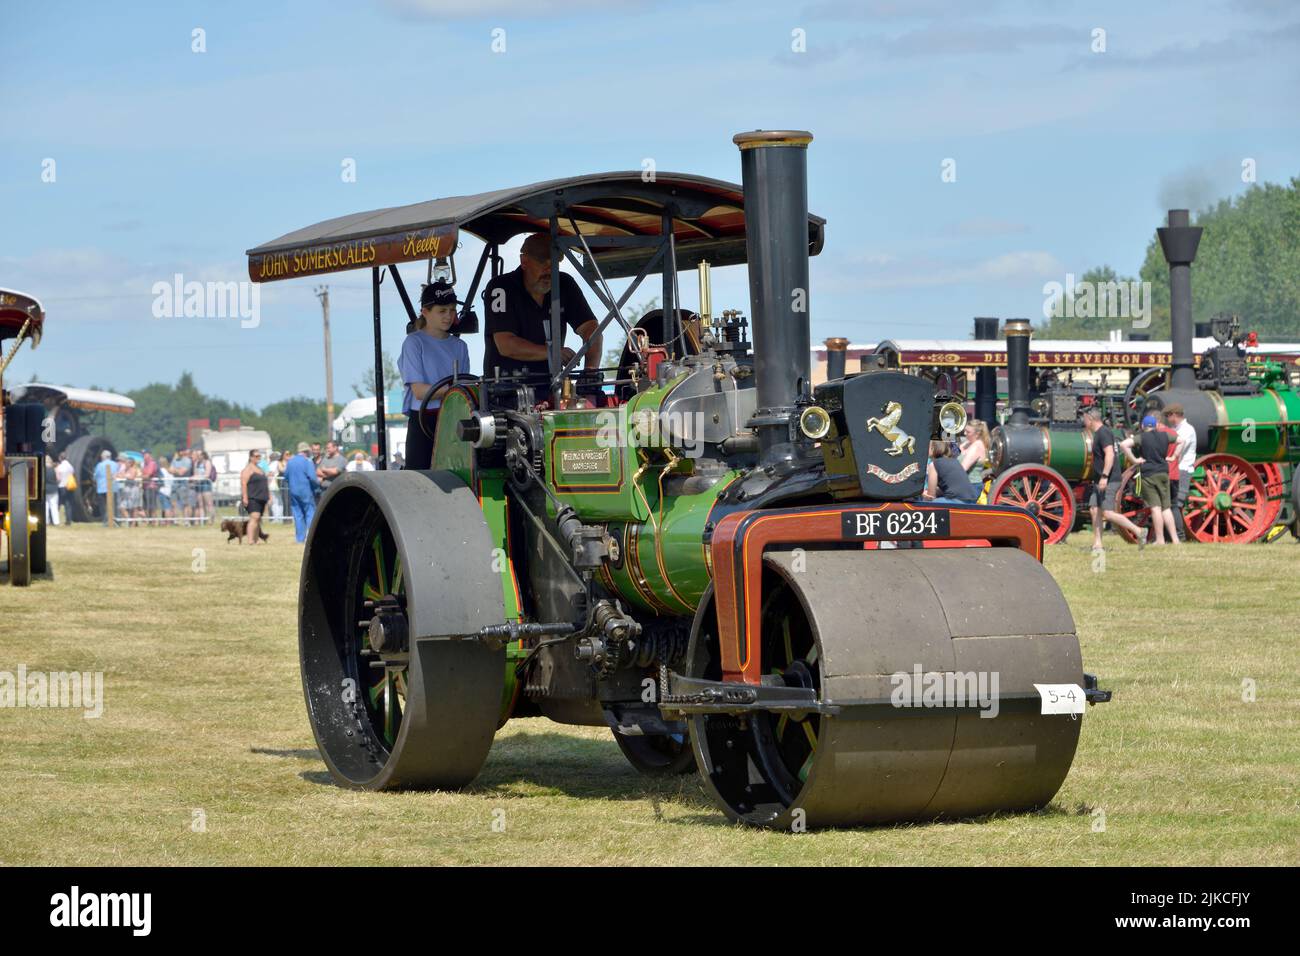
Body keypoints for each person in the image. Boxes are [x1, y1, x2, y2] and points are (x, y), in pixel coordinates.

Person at [481, 231, 603, 402]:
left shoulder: (565, 284)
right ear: (524, 261)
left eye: (554, 263)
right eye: (542, 263)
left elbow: (591, 329)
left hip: (553, 389)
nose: (549, 270)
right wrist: (552, 353)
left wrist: (590, 373)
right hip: (507, 394)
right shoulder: (501, 287)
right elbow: (506, 344)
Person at [400, 279, 472, 470]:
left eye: (451, 310)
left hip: (453, 419)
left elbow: (466, 386)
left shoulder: (460, 346)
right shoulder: (414, 343)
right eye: (442, 311)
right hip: (423, 420)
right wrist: (453, 390)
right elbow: (419, 391)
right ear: (425, 312)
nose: (448, 316)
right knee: (421, 479)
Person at [1082, 408, 1145, 551]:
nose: (1083, 421)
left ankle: (1139, 531)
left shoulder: (1103, 433)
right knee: (1094, 509)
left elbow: (1109, 455)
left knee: (1107, 513)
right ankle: (1097, 544)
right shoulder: (1099, 433)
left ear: (1090, 419)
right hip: (1100, 480)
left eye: (1084, 418)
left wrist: (1104, 476)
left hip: (1109, 479)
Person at [1123, 414, 1178, 546]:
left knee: (1155, 508)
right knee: (1166, 508)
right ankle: (1175, 540)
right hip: (1164, 473)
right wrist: (1174, 456)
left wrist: (1134, 460)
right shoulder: (1164, 436)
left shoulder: (1141, 437)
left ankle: (1160, 539)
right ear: (1156, 426)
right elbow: (1182, 441)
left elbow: (1124, 444)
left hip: (1149, 474)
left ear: (1142, 426)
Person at [1165, 403, 1197, 541]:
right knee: (1168, 504)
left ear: (1174, 415)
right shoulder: (1175, 429)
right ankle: (1168, 536)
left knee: (1175, 504)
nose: (1167, 418)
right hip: (1172, 468)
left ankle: (1179, 536)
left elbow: (1177, 450)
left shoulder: (1187, 430)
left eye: (1168, 415)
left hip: (1182, 469)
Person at [284, 442, 321, 543]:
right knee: (310, 512)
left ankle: (300, 539)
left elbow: (286, 477)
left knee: (298, 514)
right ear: (306, 451)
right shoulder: (307, 462)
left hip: (293, 491)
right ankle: (312, 537)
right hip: (305, 491)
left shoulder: (290, 462)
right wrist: (317, 487)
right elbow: (313, 478)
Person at [240, 450, 269, 544]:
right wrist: (245, 497)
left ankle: (256, 539)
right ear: (251, 457)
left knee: (258, 519)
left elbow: (265, 483)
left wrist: (269, 496)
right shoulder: (247, 469)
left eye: (259, 456)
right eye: (256, 456)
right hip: (252, 497)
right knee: (254, 517)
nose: (258, 458)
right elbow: (243, 484)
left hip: (262, 497)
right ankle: (250, 540)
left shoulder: (260, 469)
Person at [959, 419, 992, 487]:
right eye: (964, 431)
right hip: (963, 484)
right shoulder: (968, 444)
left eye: (968, 432)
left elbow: (962, 468)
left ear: (977, 434)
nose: (965, 433)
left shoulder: (977, 446)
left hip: (971, 485)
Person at [93, 449, 117, 525]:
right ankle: (115, 520)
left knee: (103, 506)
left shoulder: (99, 465)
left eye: (102, 457)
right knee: (113, 505)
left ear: (104, 457)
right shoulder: (115, 464)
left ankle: (105, 521)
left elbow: (95, 476)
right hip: (114, 488)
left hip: (101, 488)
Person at [171, 448, 194, 523]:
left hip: (183, 485)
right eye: (178, 451)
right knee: (174, 503)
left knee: (185, 504)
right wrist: (177, 470)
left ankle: (186, 521)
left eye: (181, 451)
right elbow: (170, 470)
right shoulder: (174, 460)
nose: (179, 452)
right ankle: (175, 521)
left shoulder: (187, 460)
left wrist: (175, 470)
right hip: (175, 484)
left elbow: (182, 472)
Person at [55, 452, 74, 523]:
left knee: (58, 504)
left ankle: (54, 519)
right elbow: (72, 474)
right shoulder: (70, 466)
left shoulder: (60, 467)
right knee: (68, 504)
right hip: (69, 486)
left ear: (60, 458)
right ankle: (68, 520)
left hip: (61, 486)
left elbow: (58, 478)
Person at [44, 454, 60, 527]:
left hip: (45, 489)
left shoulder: (43, 470)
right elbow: (58, 479)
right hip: (54, 489)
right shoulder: (55, 469)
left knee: (46, 506)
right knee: (54, 506)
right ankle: (56, 522)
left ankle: (46, 522)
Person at [157, 456, 175, 523]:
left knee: (166, 507)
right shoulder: (170, 471)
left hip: (162, 490)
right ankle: (167, 521)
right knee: (168, 506)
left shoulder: (161, 470)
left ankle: (167, 521)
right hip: (169, 490)